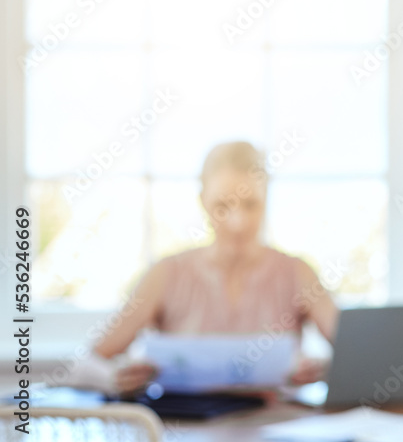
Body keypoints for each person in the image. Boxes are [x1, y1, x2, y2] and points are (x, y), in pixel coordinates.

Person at [78, 141, 338, 394]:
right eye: (222, 206)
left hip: (279, 431)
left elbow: (356, 356)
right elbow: (85, 364)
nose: (238, 223)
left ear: (267, 196)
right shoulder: (166, 275)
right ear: (203, 200)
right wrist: (115, 378)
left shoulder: (297, 274)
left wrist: (322, 370)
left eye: (251, 205)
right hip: (186, 432)